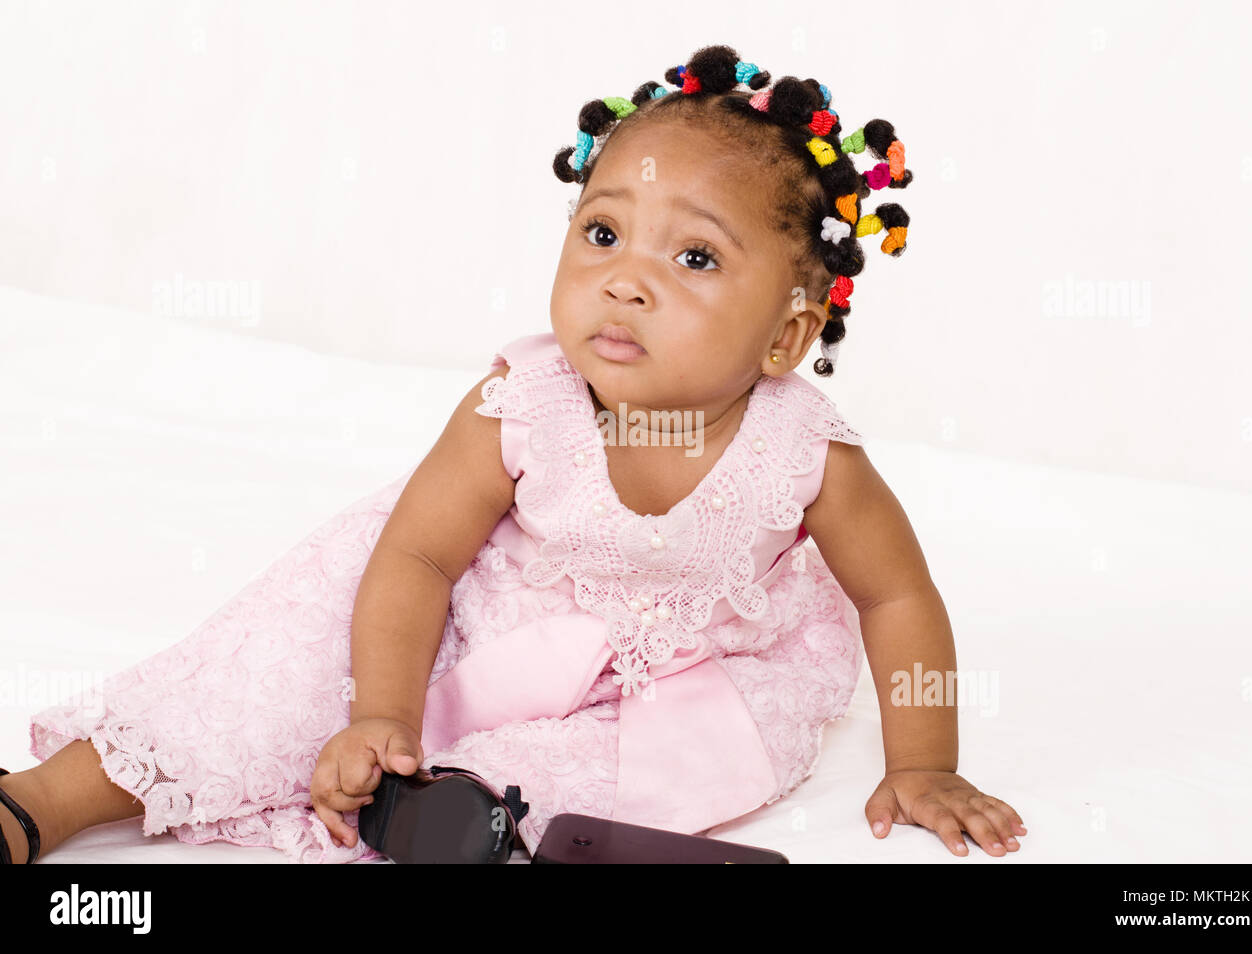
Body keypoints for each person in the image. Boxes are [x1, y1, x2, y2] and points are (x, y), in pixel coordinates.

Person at [1, 43, 1026, 864]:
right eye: (602, 234)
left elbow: (896, 599)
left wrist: (925, 761)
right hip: (486, 610)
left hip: (701, 668)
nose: (624, 282)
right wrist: (380, 708)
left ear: (786, 337)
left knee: (681, 761)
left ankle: (462, 816)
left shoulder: (807, 454)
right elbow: (417, 559)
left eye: (696, 257)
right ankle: (49, 799)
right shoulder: (522, 403)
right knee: (284, 662)